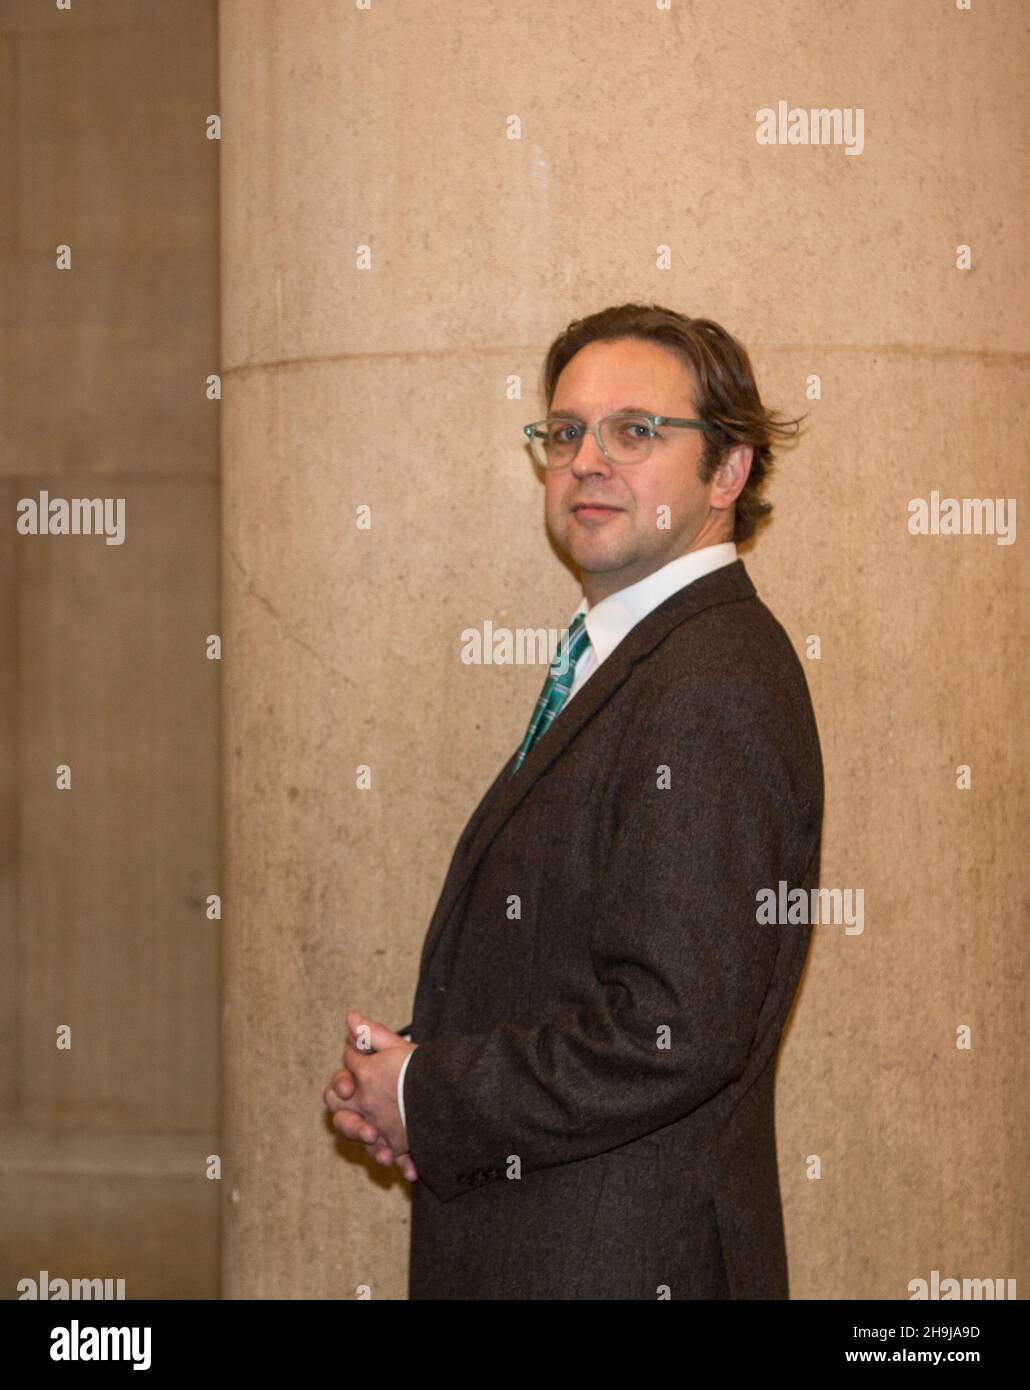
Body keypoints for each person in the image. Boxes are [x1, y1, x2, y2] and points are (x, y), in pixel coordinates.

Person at [324, 302, 824, 1299]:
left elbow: (668, 1030)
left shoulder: (708, 681)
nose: (585, 459)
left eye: (635, 431)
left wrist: (428, 1095)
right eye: (563, 432)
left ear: (727, 472)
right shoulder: (635, 658)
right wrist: (430, 1083)